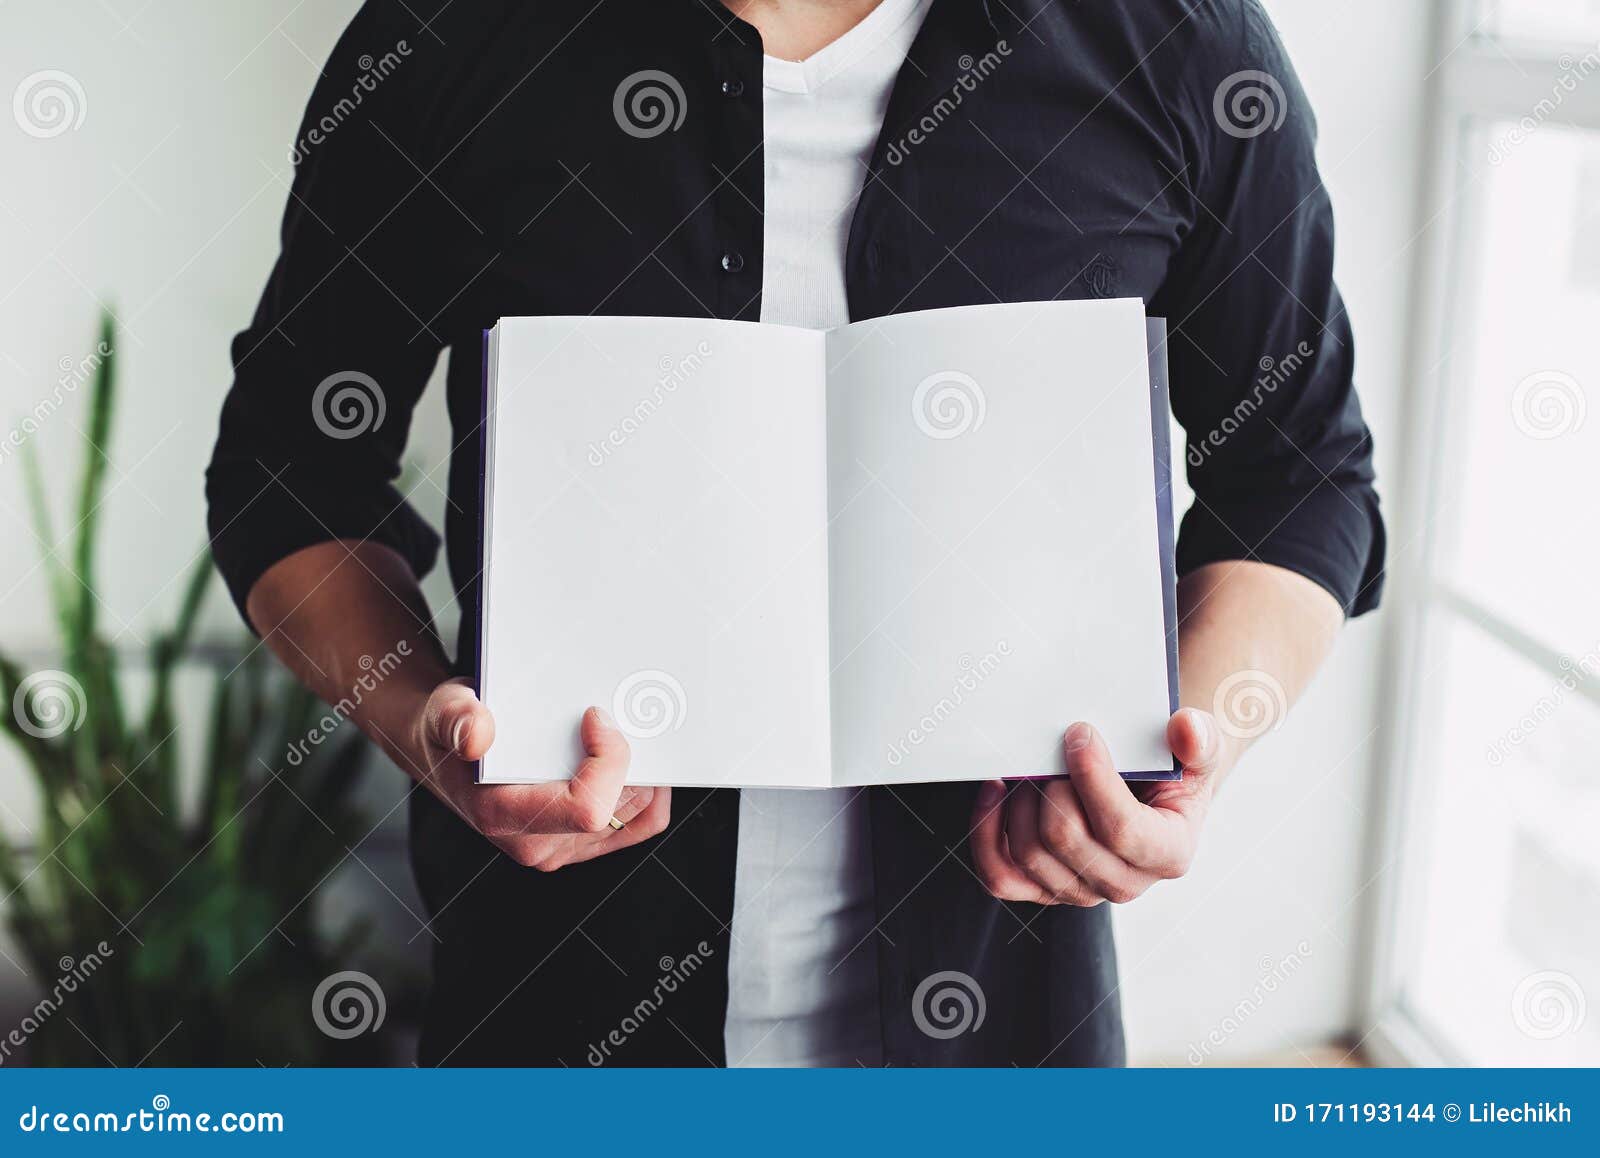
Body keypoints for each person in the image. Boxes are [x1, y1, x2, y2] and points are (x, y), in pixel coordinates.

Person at [207, 0, 1383, 1066]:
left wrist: (1195, 755)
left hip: (1002, 1040)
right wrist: (422, 725)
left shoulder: (1174, 38)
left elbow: (1302, 476)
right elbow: (290, 474)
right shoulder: (452, 36)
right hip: (556, 1023)